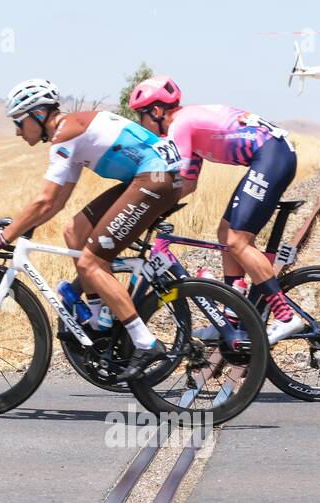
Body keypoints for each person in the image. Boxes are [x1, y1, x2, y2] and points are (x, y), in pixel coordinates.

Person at [0, 79, 182, 382]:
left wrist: (2, 238)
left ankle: (145, 342)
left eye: (19, 122)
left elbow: (43, 199)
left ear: (39, 115)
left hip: (156, 178)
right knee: (75, 231)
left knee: (89, 262)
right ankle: (97, 314)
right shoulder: (70, 131)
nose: (18, 131)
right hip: (151, 175)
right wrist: (18, 227)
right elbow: (54, 205)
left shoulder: (65, 134)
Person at [128, 75, 301, 344]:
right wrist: (155, 208)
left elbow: (173, 182)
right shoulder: (188, 124)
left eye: (142, 116)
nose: (143, 124)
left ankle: (285, 316)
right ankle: (231, 319)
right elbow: (187, 183)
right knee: (225, 233)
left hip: (272, 155)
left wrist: (146, 208)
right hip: (271, 155)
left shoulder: (180, 125)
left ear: (157, 111)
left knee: (238, 240)